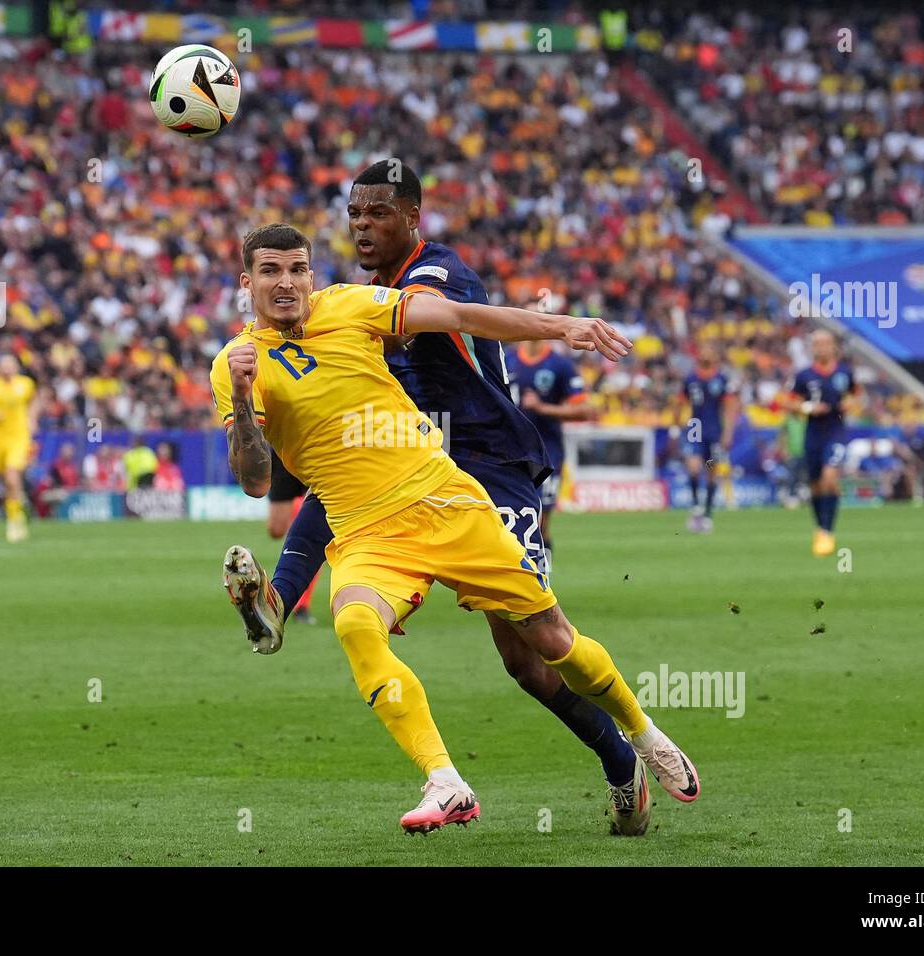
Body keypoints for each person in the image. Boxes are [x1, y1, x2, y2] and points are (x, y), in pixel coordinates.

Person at [213, 223, 697, 834]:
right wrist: (240, 388)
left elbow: (460, 315)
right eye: (270, 272)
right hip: (367, 534)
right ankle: (445, 781)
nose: (286, 283)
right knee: (357, 625)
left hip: (445, 500)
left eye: (297, 269)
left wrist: (562, 326)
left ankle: (643, 734)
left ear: (311, 273)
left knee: (548, 643)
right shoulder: (234, 364)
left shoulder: (350, 305)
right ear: (246, 282)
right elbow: (255, 479)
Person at [507, 338, 597, 569]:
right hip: (509, 452)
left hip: (547, 453)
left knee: (539, 523)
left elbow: (585, 409)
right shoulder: (505, 357)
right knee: (511, 521)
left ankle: (542, 579)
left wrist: (542, 408)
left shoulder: (560, 364)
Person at [784, 330, 857, 556]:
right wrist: (808, 408)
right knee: (815, 484)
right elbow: (790, 403)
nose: (822, 347)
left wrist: (849, 404)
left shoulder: (844, 372)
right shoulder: (804, 375)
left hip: (835, 431)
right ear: (812, 348)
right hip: (813, 433)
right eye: (818, 344)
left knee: (829, 477)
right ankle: (820, 527)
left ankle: (827, 531)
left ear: (834, 346)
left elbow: (856, 395)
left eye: (826, 343)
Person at [677, 343, 737, 533]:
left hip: (714, 433)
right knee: (694, 468)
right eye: (703, 351)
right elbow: (681, 403)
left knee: (711, 470)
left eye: (709, 351)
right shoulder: (690, 379)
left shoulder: (721, 379)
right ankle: (696, 506)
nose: (706, 354)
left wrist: (728, 433)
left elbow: (729, 407)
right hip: (695, 431)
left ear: (715, 356)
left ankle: (708, 513)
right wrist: (676, 423)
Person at [0, 354, 38, 542]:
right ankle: (20, 506)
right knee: (7, 482)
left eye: (10, 364)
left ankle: (15, 521)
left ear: (16, 367)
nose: (7, 368)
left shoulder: (26, 384)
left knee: (12, 475)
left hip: (19, 436)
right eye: (3, 365)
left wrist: (32, 418)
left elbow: (34, 402)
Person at [266, 450, 320, 625]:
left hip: (317, 452)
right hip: (285, 452)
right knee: (276, 529)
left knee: (313, 532)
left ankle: (301, 606)